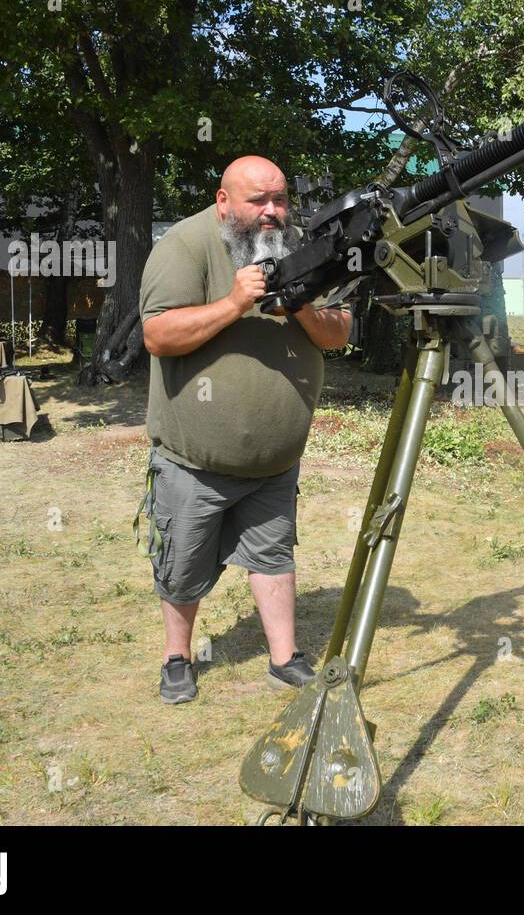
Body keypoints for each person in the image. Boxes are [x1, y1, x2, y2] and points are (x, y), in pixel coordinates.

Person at [138, 155, 352, 704]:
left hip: (274, 461)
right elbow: (159, 336)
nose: (272, 212)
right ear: (223, 200)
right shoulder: (184, 246)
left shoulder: (306, 248)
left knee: (273, 556)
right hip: (194, 460)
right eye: (258, 200)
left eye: (280, 199)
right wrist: (234, 303)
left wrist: (300, 307)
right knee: (182, 565)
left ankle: (284, 659)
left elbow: (338, 333)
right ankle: (177, 658)